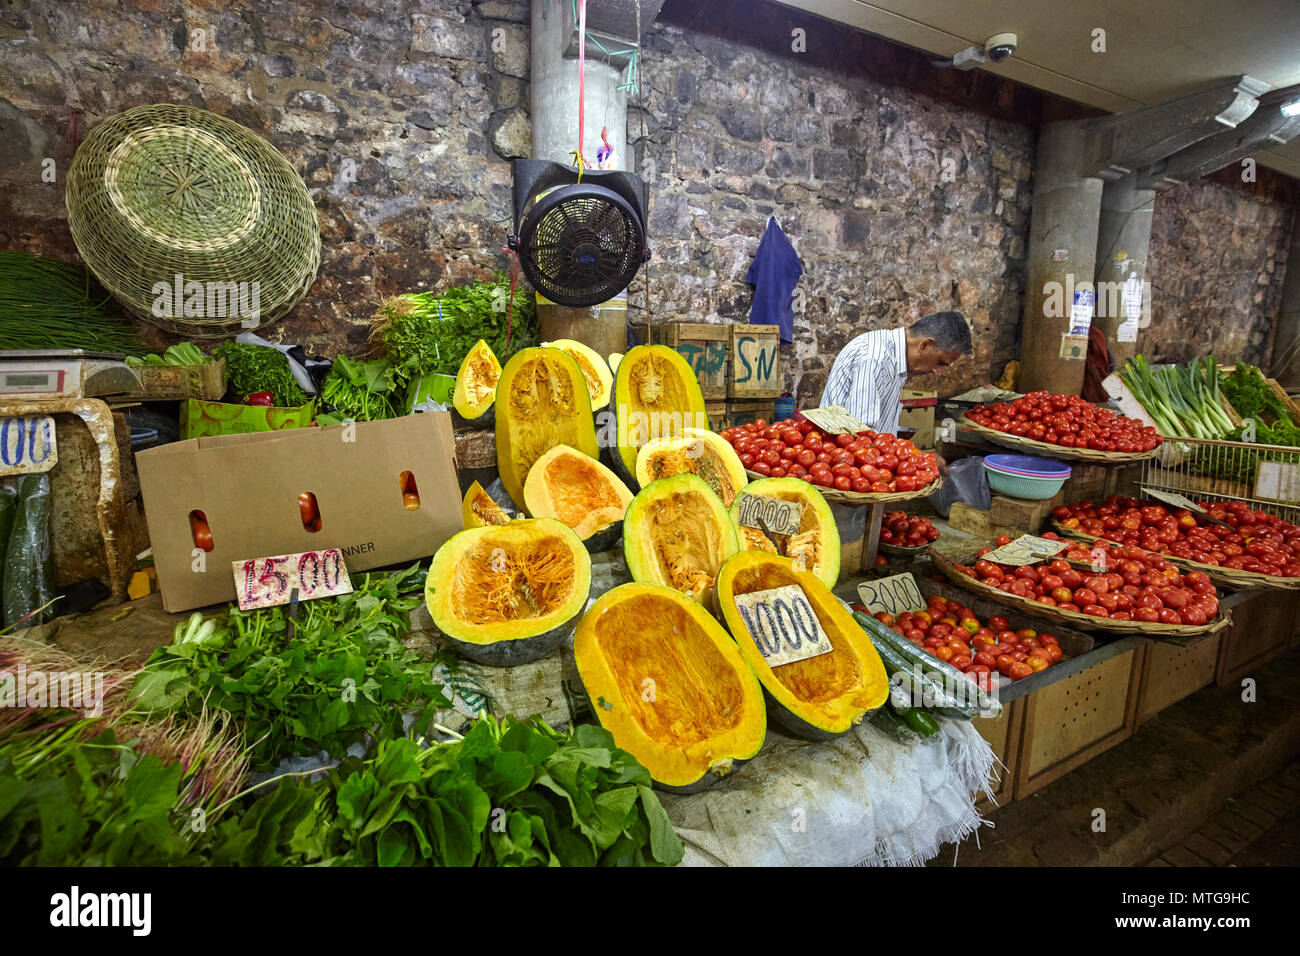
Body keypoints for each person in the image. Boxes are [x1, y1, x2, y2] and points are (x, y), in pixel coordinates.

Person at [820, 311, 972, 435]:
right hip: (845, 459)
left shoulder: (896, 358)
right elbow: (861, 434)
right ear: (925, 344)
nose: (937, 372)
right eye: (940, 363)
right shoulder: (876, 358)